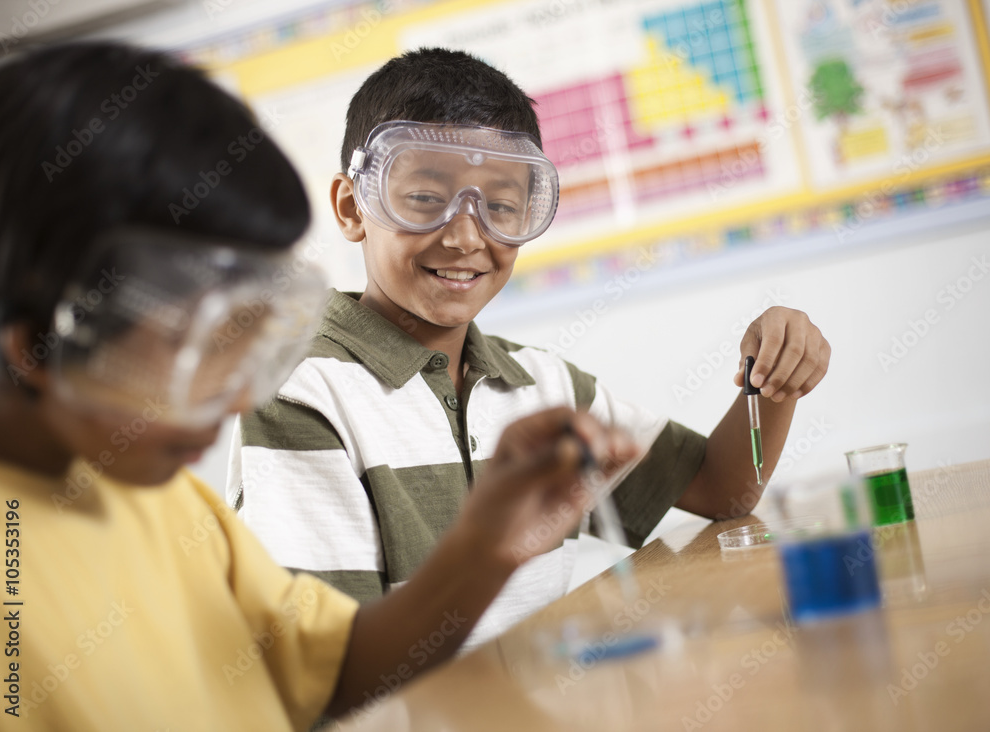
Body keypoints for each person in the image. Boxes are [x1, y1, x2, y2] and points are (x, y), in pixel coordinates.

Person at [0, 41, 637, 730]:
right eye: (199, 342)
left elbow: (340, 670)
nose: (241, 396)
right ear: (41, 344)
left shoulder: (164, 500)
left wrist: (484, 547)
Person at [228, 48, 832, 648]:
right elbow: (328, 663)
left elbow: (723, 490)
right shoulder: (298, 394)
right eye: (425, 198)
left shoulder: (540, 384)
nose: (467, 236)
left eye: (500, 207)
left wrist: (773, 377)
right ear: (352, 206)